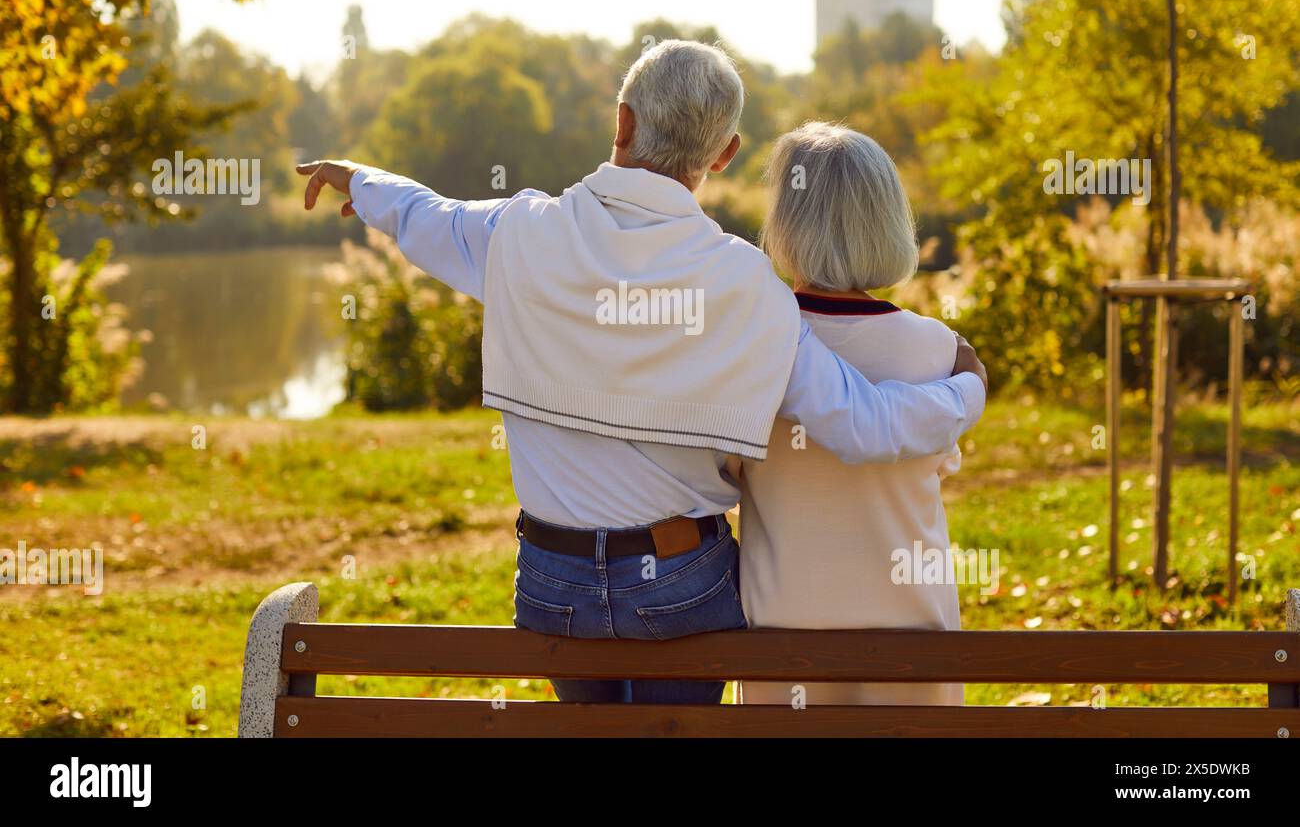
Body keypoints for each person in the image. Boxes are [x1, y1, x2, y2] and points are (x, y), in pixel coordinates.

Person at [297, 40, 988, 707]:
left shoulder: (520, 233)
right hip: (681, 587)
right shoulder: (743, 282)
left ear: (622, 121)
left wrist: (361, 180)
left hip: (552, 584)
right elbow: (860, 425)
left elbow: (428, 219)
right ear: (724, 154)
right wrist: (965, 390)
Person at [738, 121, 969, 707]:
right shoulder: (937, 349)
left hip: (780, 636)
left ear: (786, 224)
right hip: (912, 632)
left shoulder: (748, 346)